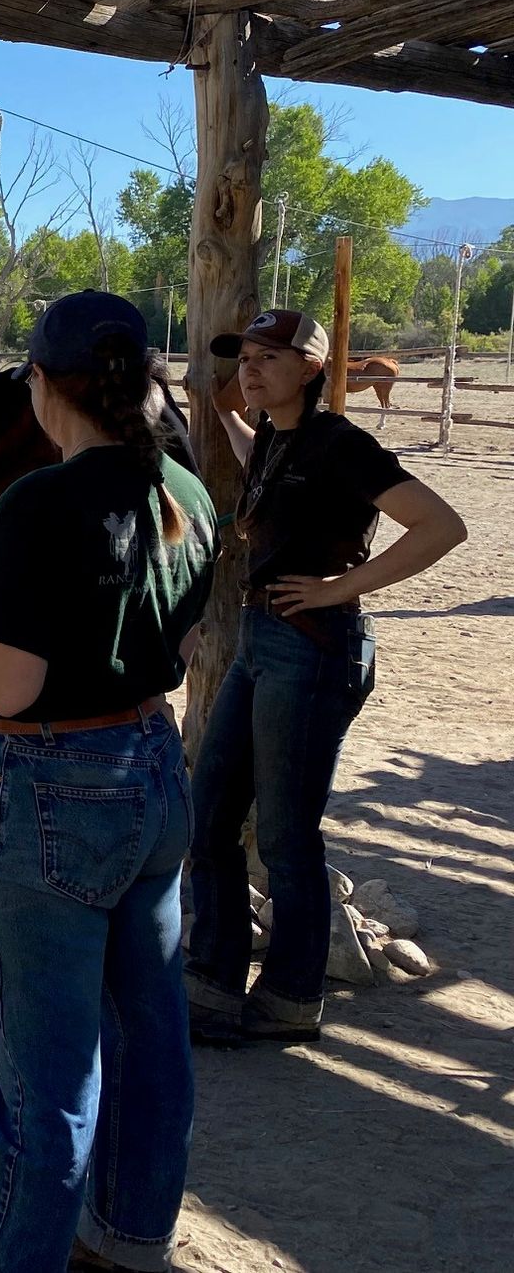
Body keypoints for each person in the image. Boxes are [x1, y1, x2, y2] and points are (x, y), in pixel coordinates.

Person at [0, 291, 217, 1273]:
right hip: (150, 766)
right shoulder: (187, 489)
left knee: (41, 1085)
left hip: (49, 784)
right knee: (148, 1040)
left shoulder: (38, 501)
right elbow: (169, 633)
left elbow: (7, 681)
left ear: (43, 386)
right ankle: (127, 1241)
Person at [187, 310, 465, 1045]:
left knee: (284, 834)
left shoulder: (342, 444)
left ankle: (288, 999)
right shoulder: (278, 439)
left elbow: (441, 526)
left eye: (269, 357)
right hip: (261, 638)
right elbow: (237, 434)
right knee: (209, 815)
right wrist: (219, 401)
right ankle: (210, 984)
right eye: (244, 357)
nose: (250, 369)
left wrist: (340, 587)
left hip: (313, 645)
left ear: (312, 367)